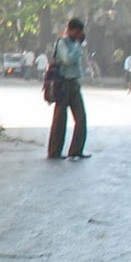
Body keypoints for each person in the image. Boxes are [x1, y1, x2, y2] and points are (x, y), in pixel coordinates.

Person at [47, 18, 90, 161]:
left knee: (81, 118)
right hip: (63, 84)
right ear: (71, 30)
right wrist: (78, 45)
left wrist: (79, 45)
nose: (79, 34)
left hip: (74, 83)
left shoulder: (76, 44)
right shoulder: (62, 43)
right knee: (60, 119)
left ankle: (76, 150)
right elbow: (67, 59)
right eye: (77, 31)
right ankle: (55, 151)